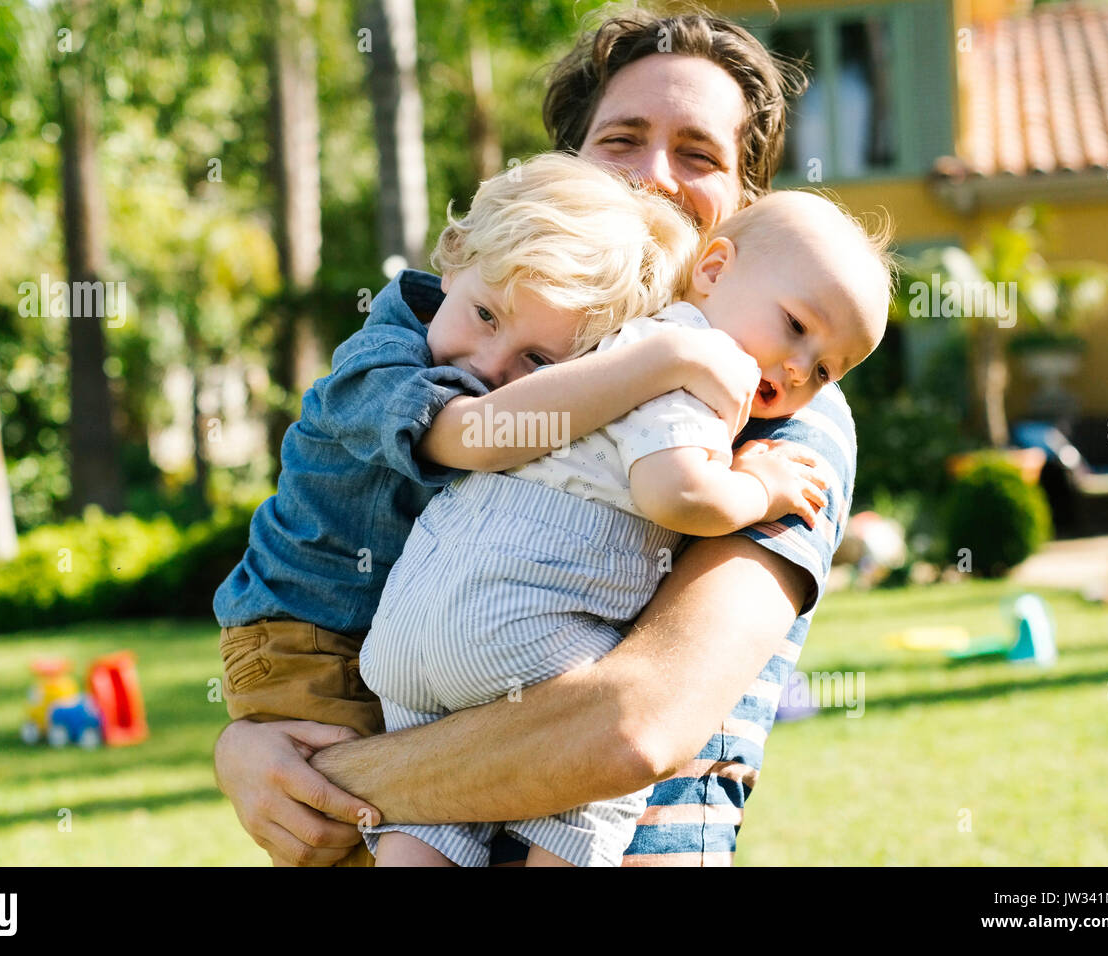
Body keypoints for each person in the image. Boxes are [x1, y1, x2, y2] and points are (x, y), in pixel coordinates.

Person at [214, 7, 847, 868]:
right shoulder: (473, 337)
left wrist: (315, 778)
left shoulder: (780, 412)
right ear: (567, 164)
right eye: (623, 138)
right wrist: (254, 747)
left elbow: (629, 727)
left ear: (741, 211)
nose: (654, 176)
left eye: (698, 154)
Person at [361, 187, 891, 867]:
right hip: (515, 625)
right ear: (714, 269)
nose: (796, 368)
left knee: (426, 828)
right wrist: (760, 488)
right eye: (794, 325)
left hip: (410, 627)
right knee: (591, 784)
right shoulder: (701, 361)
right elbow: (675, 492)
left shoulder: (596, 339)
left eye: (824, 368)